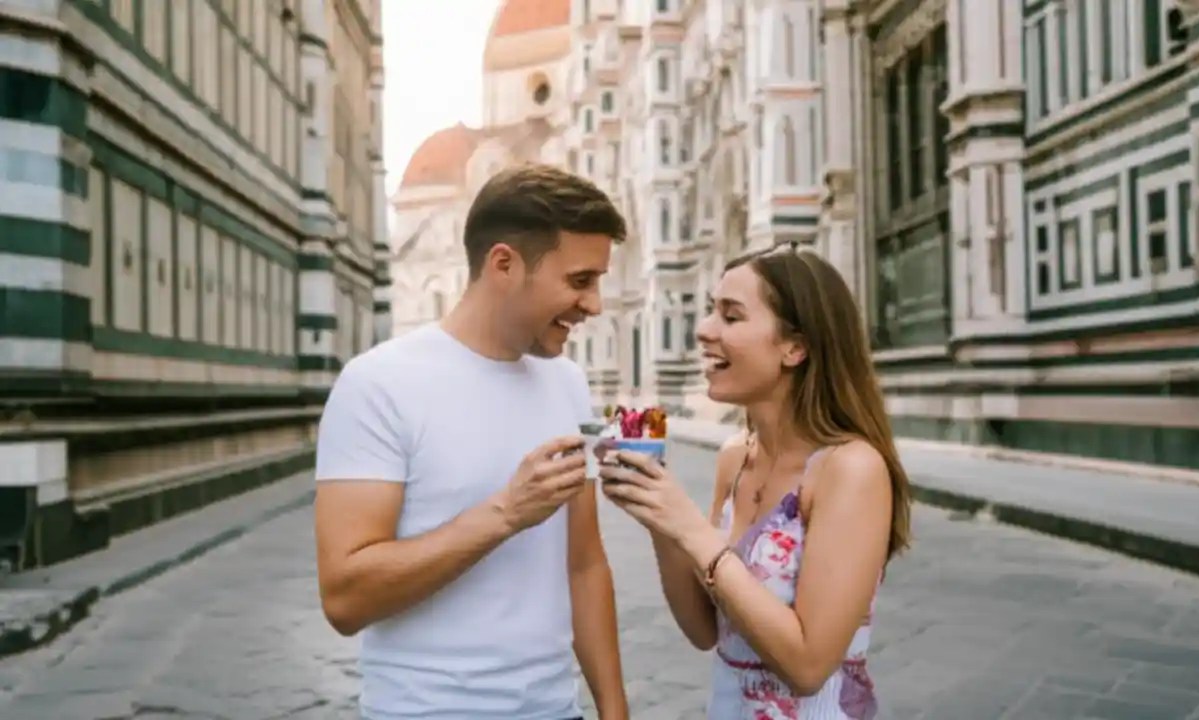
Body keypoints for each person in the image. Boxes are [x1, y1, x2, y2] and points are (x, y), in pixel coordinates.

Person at [313, 163, 630, 720]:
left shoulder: (569, 385)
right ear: (503, 264)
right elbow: (345, 597)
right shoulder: (379, 384)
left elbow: (583, 565)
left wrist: (613, 709)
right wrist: (506, 512)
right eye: (580, 281)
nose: (595, 305)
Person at [600, 246, 911, 719]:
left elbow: (807, 667)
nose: (704, 330)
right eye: (710, 311)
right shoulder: (734, 457)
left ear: (795, 347)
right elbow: (705, 630)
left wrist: (692, 530)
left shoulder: (850, 469)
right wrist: (659, 519)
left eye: (731, 315)